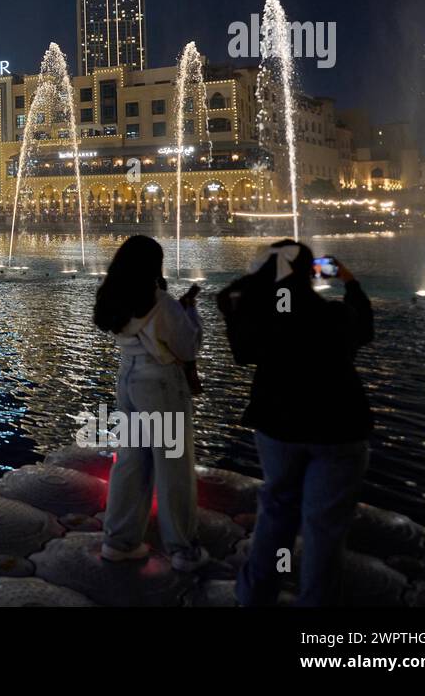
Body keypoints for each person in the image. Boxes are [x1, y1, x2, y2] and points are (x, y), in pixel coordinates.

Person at [217, 239, 374, 606]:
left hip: (278, 426)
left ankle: (255, 595)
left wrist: (251, 286)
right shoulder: (333, 315)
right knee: (324, 527)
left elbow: (242, 352)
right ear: (310, 273)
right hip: (338, 429)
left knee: (275, 512)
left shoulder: (259, 315)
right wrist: (348, 280)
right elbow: (363, 328)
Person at [92, 235, 208, 572]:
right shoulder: (160, 302)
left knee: (130, 461)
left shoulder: (113, 297)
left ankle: (118, 541)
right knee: (173, 467)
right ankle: (183, 551)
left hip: (128, 379)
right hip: (161, 385)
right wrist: (191, 314)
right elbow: (187, 349)